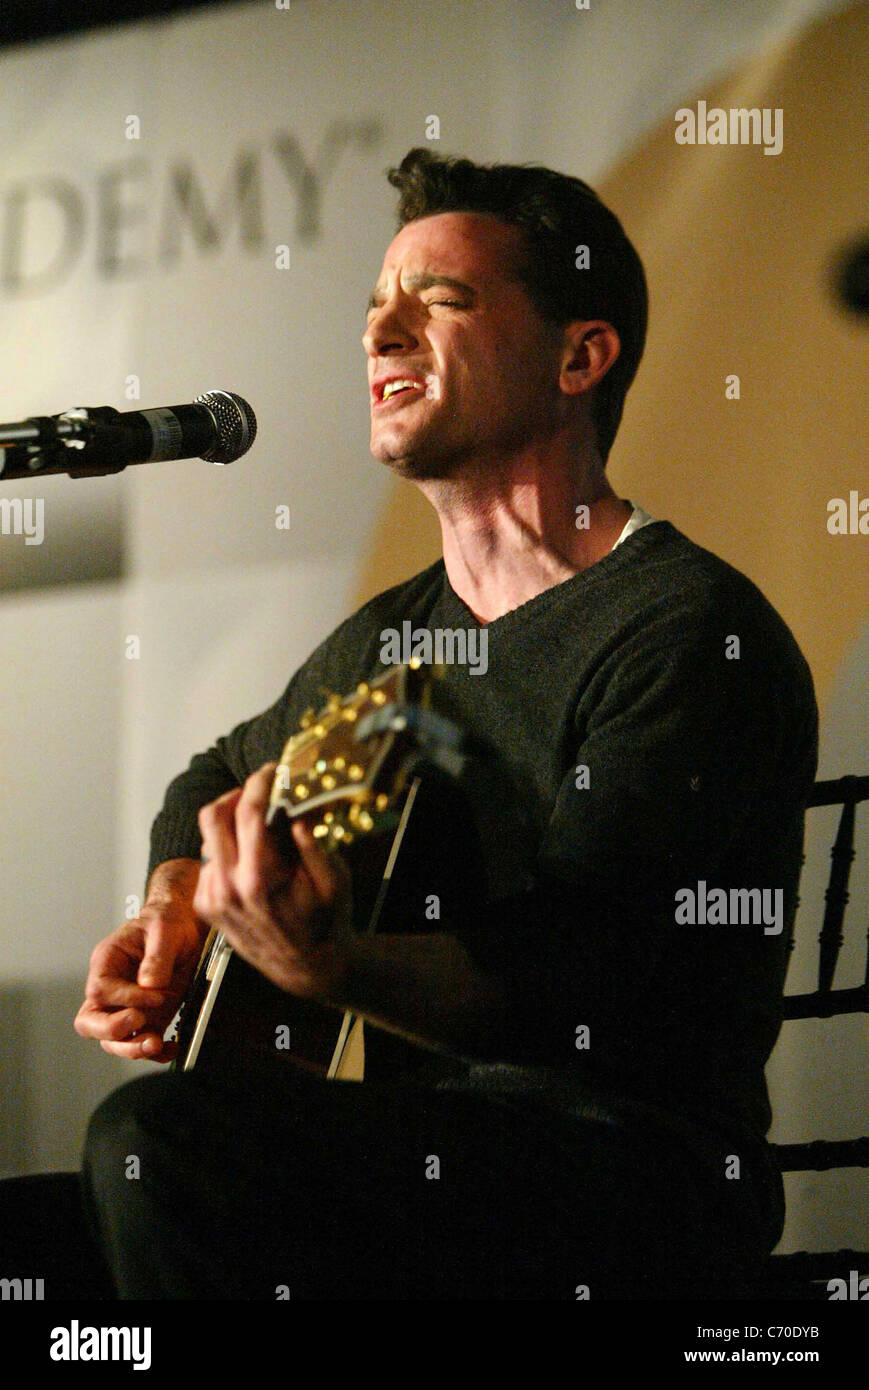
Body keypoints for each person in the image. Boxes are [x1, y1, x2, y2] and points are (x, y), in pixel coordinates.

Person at [14, 149, 820, 1300]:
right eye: (375, 307)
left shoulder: (683, 629)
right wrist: (175, 916)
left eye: (435, 301)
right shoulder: (385, 642)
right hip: (399, 1152)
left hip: (623, 1169)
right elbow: (212, 773)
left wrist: (331, 965)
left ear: (578, 354)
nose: (378, 335)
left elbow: (573, 979)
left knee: (159, 1147)